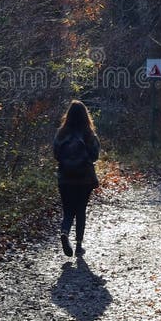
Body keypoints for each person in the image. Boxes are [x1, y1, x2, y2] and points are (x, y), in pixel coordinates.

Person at [53, 100, 100, 258]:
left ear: (69, 115)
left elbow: (56, 155)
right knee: (80, 210)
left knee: (68, 211)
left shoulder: (62, 133)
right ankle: (79, 246)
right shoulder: (89, 134)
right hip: (84, 179)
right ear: (85, 116)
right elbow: (95, 156)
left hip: (65, 178)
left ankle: (65, 232)